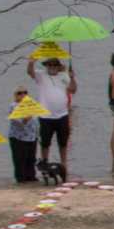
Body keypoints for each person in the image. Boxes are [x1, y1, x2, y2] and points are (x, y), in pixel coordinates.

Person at [27, 52, 74, 182]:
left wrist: (72, 77)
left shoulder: (64, 76)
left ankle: (64, 167)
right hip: (45, 116)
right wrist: (31, 62)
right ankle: (45, 167)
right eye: (50, 65)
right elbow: (30, 73)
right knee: (45, 144)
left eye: (54, 65)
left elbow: (73, 89)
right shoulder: (41, 75)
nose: (52, 67)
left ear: (58, 66)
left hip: (62, 115)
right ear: (46, 66)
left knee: (63, 143)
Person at [6, 90, 42, 183]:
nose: (23, 95)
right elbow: (17, 121)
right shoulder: (13, 106)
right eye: (19, 93)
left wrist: (38, 134)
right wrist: (25, 120)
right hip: (18, 136)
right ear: (15, 95)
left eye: (25, 93)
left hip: (32, 136)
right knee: (19, 158)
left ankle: (31, 176)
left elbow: (37, 120)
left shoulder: (31, 104)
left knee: (31, 157)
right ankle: (20, 178)